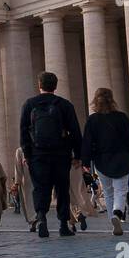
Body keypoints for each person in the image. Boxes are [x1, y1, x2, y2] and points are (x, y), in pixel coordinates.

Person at [18, 71, 83, 238]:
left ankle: (42, 219)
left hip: (37, 154)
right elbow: (75, 131)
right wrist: (78, 154)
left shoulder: (29, 104)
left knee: (40, 187)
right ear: (55, 86)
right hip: (61, 153)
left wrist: (26, 153)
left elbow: (23, 133)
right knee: (62, 188)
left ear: (39, 85)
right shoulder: (65, 105)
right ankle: (63, 225)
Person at [80, 87, 129, 236]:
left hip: (102, 160)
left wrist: (85, 161)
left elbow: (87, 142)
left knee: (108, 192)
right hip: (122, 158)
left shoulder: (92, 120)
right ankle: (118, 213)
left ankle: (113, 218)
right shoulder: (122, 118)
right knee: (121, 190)